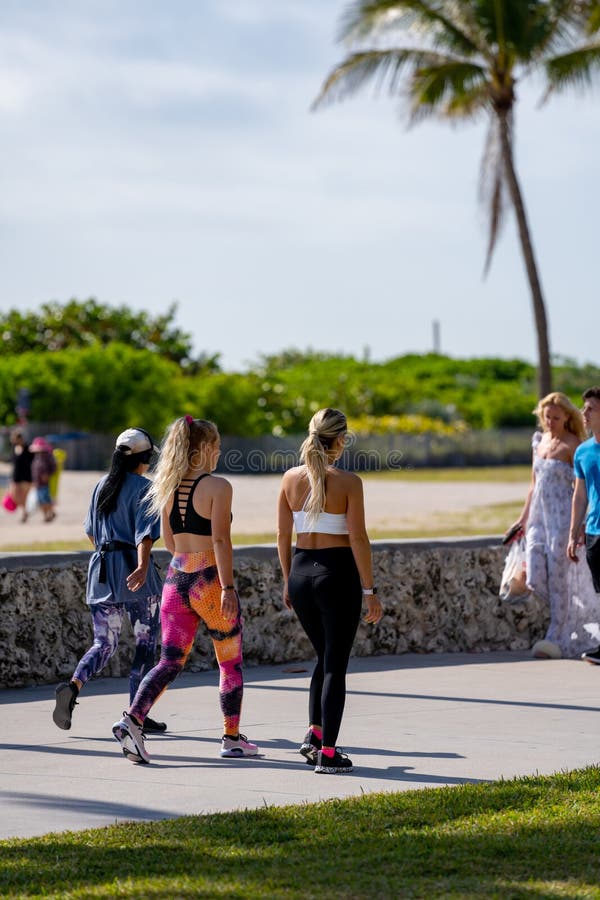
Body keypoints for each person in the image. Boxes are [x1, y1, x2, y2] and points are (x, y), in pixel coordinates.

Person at [112, 416, 257, 765]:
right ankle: (232, 738)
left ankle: (132, 719)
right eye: (217, 446)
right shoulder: (219, 487)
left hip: (176, 581)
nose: (219, 453)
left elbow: (171, 543)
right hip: (209, 580)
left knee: (169, 661)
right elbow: (221, 541)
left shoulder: (167, 486)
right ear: (204, 449)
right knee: (229, 661)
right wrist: (228, 587)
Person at [277, 407, 383, 774]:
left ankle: (314, 734)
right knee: (335, 665)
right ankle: (328, 754)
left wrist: (287, 580)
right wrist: (369, 590)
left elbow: (282, 535)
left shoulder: (289, 479)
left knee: (324, 658)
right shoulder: (349, 482)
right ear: (341, 439)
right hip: (337, 576)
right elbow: (358, 538)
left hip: (300, 574)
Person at [52, 427, 166, 735]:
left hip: (101, 572)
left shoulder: (101, 485)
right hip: (133, 572)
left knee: (103, 643)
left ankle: (73, 686)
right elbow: (145, 533)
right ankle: (137, 714)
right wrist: (142, 565)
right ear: (144, 458)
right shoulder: (145, 487)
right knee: (145, 642)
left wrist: (108, 555)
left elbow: (91, 532)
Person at [506, 392, 598, 659]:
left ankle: (556, 636)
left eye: (556, 417)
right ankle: (566, 623)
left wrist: (576, 527)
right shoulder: (540, 441)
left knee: (559, 581)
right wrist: (522, 520)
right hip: (539, 519)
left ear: (567, 417)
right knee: (535, 576)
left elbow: (581, 490)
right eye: (547, 417)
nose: (551, 422)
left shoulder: (574, 445)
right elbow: (533, 485)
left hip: (562, 519)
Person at [568, 387, 600, 664]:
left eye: (591, 408)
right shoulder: (583, 451)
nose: (584, 413)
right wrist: (573, 532)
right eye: (584, 407)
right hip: (594, 532)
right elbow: (580, 495)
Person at [30, 437, 57, 522]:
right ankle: (46, 515)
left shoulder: (47, 457)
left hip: (45, 484)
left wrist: (48, 474)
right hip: (37, 483)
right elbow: (34, 470)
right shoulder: (36, 457)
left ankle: (50, 513)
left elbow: (54, 468)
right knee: (40, 501)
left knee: (46, 500)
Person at [8, 429, 33, 523]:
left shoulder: (28, 448)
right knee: (15, 496)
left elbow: (31, 462)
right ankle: (25, 511)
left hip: (26, 476)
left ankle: (24, 513)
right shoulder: (14, 448)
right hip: (16, 476)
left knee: (25, 497)